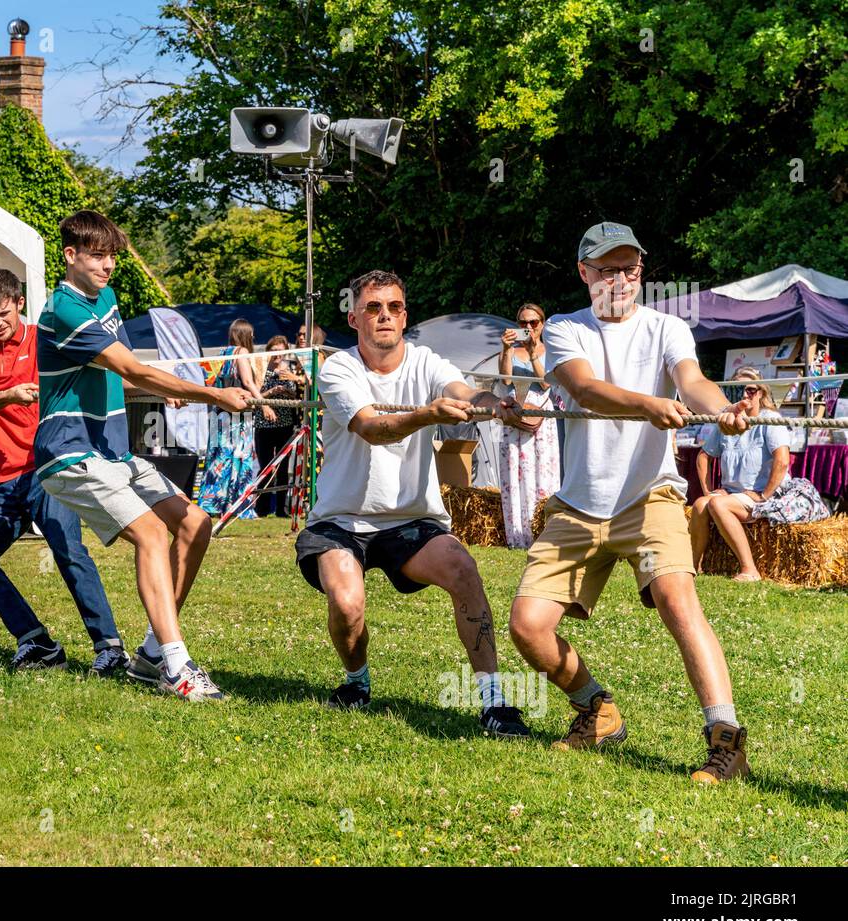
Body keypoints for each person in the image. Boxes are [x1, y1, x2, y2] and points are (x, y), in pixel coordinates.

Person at [508, 221, 752, 784]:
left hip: (652, 496)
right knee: (528, 626)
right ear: (584, 273)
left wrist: (724, 410)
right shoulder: (567, 328)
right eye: (609, 268)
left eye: (631, 268)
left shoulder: (667, 327)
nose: (621, 278)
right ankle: (596, 709)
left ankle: (726, 739)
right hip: (578, 505)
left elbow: (692, 381)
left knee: (676, 597)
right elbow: (587, 390)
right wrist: (647, 404)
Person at [294, 269, 534, 735]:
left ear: (405, 316)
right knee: (347, 605)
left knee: (464, 569)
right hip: (342, 520)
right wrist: (427, 414)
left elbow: (462, 390)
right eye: (373, 308)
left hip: (412, 522)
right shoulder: (341, 368)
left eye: (395, 308)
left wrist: (496, 402)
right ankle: (356, 682)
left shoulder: (426, 361)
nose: (385, 316)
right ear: (354, 317)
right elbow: (371, 428)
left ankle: (494, 702)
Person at [35, 210, 251, 702]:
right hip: (70, 453)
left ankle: (153, 652)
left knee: (196, 525)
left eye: (113, 255)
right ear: (70, 256)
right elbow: (133, 366)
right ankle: (178, 666)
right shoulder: (63, 310)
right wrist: (211, 395)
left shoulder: (106, 299)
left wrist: (161, 391)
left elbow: (125, 376)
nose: (109, 265)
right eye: (97, 256)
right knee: (152, 534)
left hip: (112, 450)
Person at [0, 267, 128, 674]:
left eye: (2, 312)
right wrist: (7, 397)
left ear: (18, 303)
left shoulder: (43, 340)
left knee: (68, 550)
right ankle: (37, 641)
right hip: (0, 482)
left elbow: (105, 373)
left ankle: (110, 646)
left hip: (47, 469)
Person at [689, 368, 792, 581]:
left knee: (718, 505)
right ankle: (693, 567)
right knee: (700, 503)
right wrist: (709, 490)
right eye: (738, 390)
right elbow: (703, 457)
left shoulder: (770, 419)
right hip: (735, 494)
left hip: (766, 495)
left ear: (761, 393)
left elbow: (782, 461)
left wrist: (764, 495)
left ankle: (750, 569)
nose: (745, 395)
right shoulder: (727, 421)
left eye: (751, 390)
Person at [497, 303, 562, 548]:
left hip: (542, 418)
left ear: (542, 325)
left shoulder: (550, 350)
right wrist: (506, 349)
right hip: (516, 413)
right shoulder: (511, 351)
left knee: (543, 472)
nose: (528, 327)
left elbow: (545, 383)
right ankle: (518, 534)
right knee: (515, 473)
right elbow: (504, 380)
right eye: (523, 323)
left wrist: (533, 351)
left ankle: (544, 532)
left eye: (533, 323)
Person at [197, 319, 263, 519]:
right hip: (237, 414)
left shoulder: (222, 353)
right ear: (245, 334)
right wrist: (264, 403)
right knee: (238, 455)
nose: (253, 337)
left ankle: (212, 502)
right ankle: (237, 504)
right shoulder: (241, 352)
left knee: (219, 456)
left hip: (220, 412)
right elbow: (247, 381)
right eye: (251, 334)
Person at [253, 335, 304, 518]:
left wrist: (288, 392)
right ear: (268, 352)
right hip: (263, 425)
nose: (277, 355)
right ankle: (262, 509)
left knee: (283, 469)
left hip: (285, 424)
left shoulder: (289, 370)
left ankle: (282, 510)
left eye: (280, 352)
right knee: (265, 467)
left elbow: (298, 397)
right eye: (273, 351)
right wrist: (271, 392)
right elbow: (255, 396)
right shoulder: (260, 370)